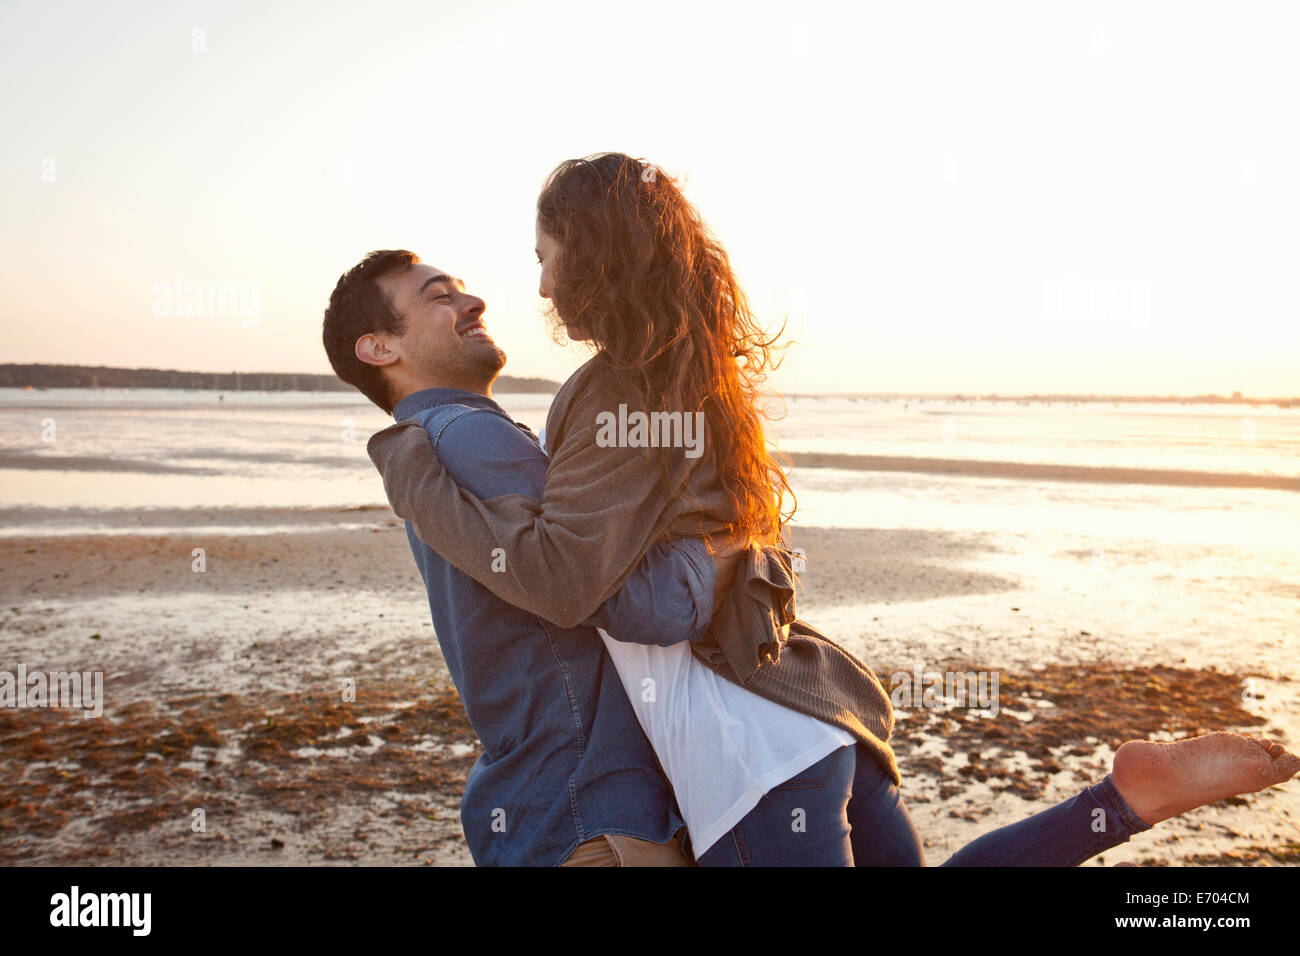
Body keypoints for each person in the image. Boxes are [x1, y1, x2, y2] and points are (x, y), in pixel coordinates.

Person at [366, 158, 1300, 866]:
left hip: (740, 744)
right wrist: (732, 553)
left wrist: (415, 481)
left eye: (546, 255)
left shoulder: (609, 391)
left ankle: (1122, 803)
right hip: (815, 711)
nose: (535, 286)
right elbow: (699, 558)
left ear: (592, 251)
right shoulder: (698, 374)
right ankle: (1117, 803)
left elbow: (599, 593)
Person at [322, 250, 720, 866]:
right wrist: (732, 541)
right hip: (597, 817)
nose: (471, 302)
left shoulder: (431, 445)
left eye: (461, 290)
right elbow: (652, 605)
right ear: (378, 348)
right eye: (438, 297)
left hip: (556, 812)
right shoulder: (468, 435)